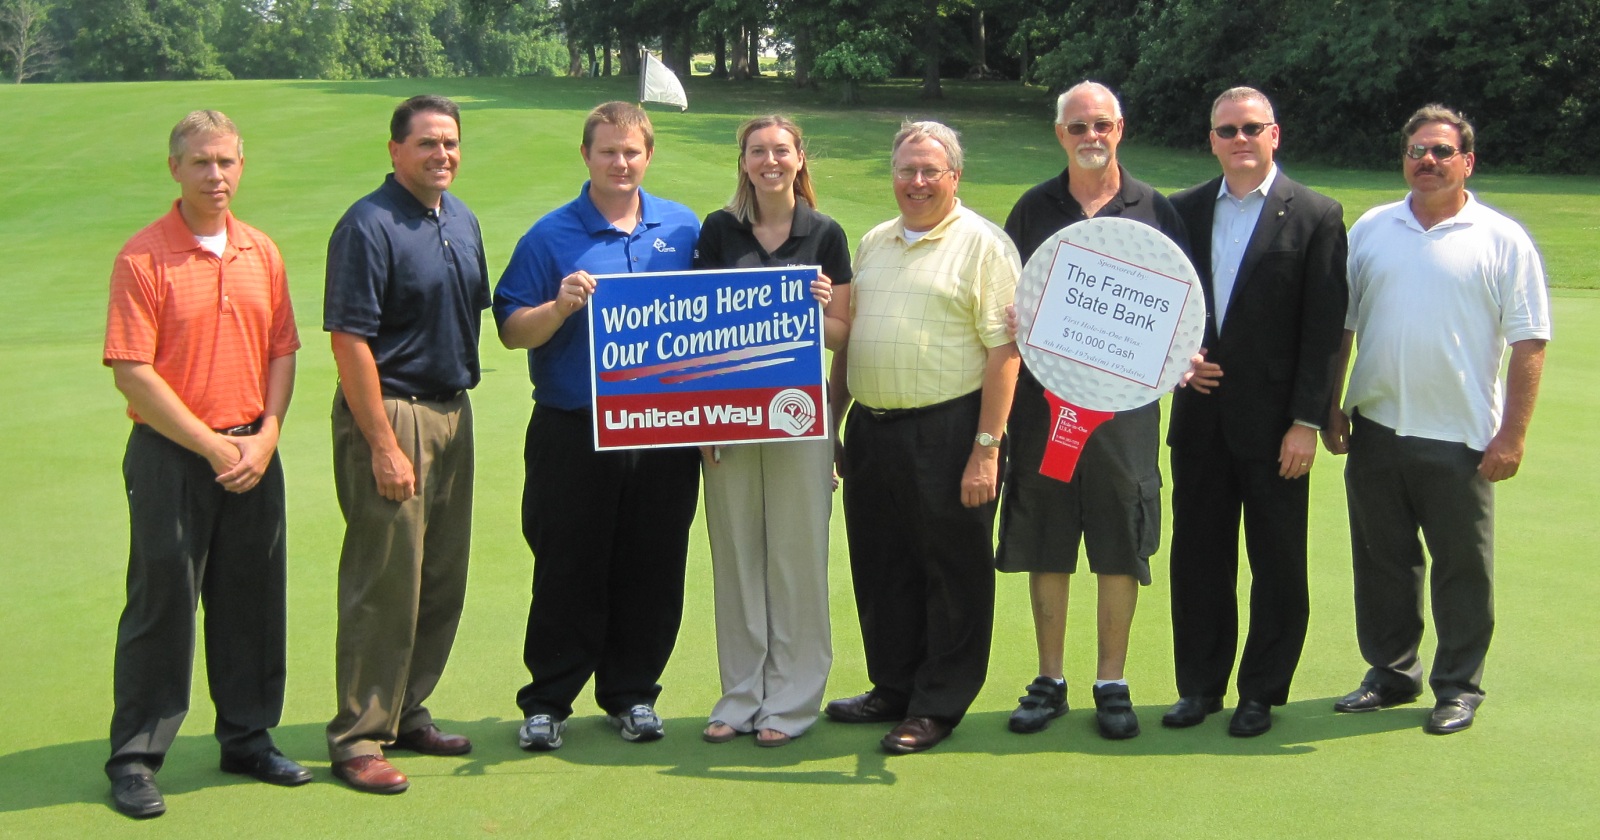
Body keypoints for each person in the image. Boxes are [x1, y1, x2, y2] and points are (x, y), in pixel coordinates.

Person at [102, 109, 308, 819]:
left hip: (253, 450)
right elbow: (133, 373)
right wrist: (211, 444)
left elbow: (282, 350)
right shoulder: (143, 257)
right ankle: (136, 756)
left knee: (253, 601)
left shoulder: (261, 251)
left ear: (241, 167)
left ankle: (247, 738)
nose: (215, 175)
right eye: (200, 162)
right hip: (172, 456)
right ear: (175, 169)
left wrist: (267, 434)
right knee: (163, 603)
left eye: (225, 161)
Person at [1323, 104, 1550, 735]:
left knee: (1462, 569)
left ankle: (1458, 685)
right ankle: (1392, 672)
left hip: (1461, 436)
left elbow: (1530, 342)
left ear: (1466, 161)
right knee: (1382, 562)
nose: (1428, 160)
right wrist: (1331, 407)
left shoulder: (1502, 239)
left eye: (1442, 151)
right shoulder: (1372, 229)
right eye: (1417, 150)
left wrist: (1513, 434)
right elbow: (1343, 328)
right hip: (1376, 429)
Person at [495, 101, 702, 751]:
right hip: (574, 428)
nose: (620, 162)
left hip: (663, 430)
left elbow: (717, 316)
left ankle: (632, 693)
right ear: (586, 155)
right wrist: (558, 308)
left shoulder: (684, 228)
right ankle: (547, 701)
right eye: (608, 151)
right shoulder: (549, 236)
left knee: (654, 565)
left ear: (649, 155)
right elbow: (511, 330)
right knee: (567, 565)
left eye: (631, 151)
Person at [996, 82, 1188, 741]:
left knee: (1118, 539)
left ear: (1120, 128)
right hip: (1044, 404)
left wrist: (1182, 356)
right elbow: (1011, 294)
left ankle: (1112, 682)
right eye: (1077, 127)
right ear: (1060, 134)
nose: (1090, 136)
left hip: (1124, 412)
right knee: (1048, 536)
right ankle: (1049, 680)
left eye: (1101, 124)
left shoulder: (1155, 209)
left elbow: (1184, 308)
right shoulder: (1033, 208)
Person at [824, 120, 1020, 755]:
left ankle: (937, 703)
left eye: (930, 170)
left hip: (951, 429)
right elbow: (849, 341)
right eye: (906, 169)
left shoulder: (985, 245)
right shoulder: (873, 241)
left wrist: (986, 449)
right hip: (873, 428)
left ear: (953, 176)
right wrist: (830, 422)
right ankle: (893, 686)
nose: (916, 181)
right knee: (882, 565)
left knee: (952, 572)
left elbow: (1005, 353)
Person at [1162, 87, 1348, 737]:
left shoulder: (1317, 214)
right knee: (1198, 558)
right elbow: (1158, 307)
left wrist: (1307, 421)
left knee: (1278, 564)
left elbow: (1323, 331)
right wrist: (1178, 362)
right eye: (1227, 130)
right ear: (1212, 140)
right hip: (1200, 417)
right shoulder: (1181, 210)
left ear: (1275, 134)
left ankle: (1261, 692)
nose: (1240, 139)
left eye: (1251, 127)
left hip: (1277, 428)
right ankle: (1200, 688)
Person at [324, 95, 489, 794]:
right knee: (385, 582)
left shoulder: (461, 218)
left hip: (452, 411)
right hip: (393, 413)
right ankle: (359, 737)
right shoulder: (368, 224)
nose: (440, 154)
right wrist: (383, 444)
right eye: (426, 143)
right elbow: (349, 340)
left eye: (449, 142)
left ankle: (406, 709)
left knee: (440, 578)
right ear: (395, 150)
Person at [695, 115, 853, 748]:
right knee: (736, 557)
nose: (770, 160)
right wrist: (702, 418)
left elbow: (842, 336)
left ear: (799, 158)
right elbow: (696, 328)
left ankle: (790, 700)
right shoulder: (718, 229)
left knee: (796, 558)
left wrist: (820, 308)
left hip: (799, 416)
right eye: (758, 150)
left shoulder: (827, 233)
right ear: (744, 161)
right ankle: (740, 697)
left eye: (780, 150)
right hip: (728, 418)